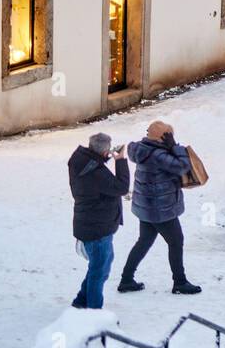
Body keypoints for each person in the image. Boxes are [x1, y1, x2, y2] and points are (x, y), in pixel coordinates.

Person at [119, 121, 202, 295]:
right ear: (162, 138)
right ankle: (179, 283)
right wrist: (175, 147)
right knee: (176, 241)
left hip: (147, 206)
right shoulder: (157, 155)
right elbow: (183, 166)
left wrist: (170, 147)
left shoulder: (142, 149)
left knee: (144, 242)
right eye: (170, 136)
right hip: (160, 209)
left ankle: (126, 279)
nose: (173, 139)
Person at [69, 133, 130, 310]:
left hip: (92, 224)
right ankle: (94, 313)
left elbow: (96, 169)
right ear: (104, 152)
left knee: (101, 266)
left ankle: (81, 301)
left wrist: (104, 157)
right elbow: (122, 187)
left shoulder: (81, 161)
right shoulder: (96, 172)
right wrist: (120, 160)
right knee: (99, 272)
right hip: (97, 229)